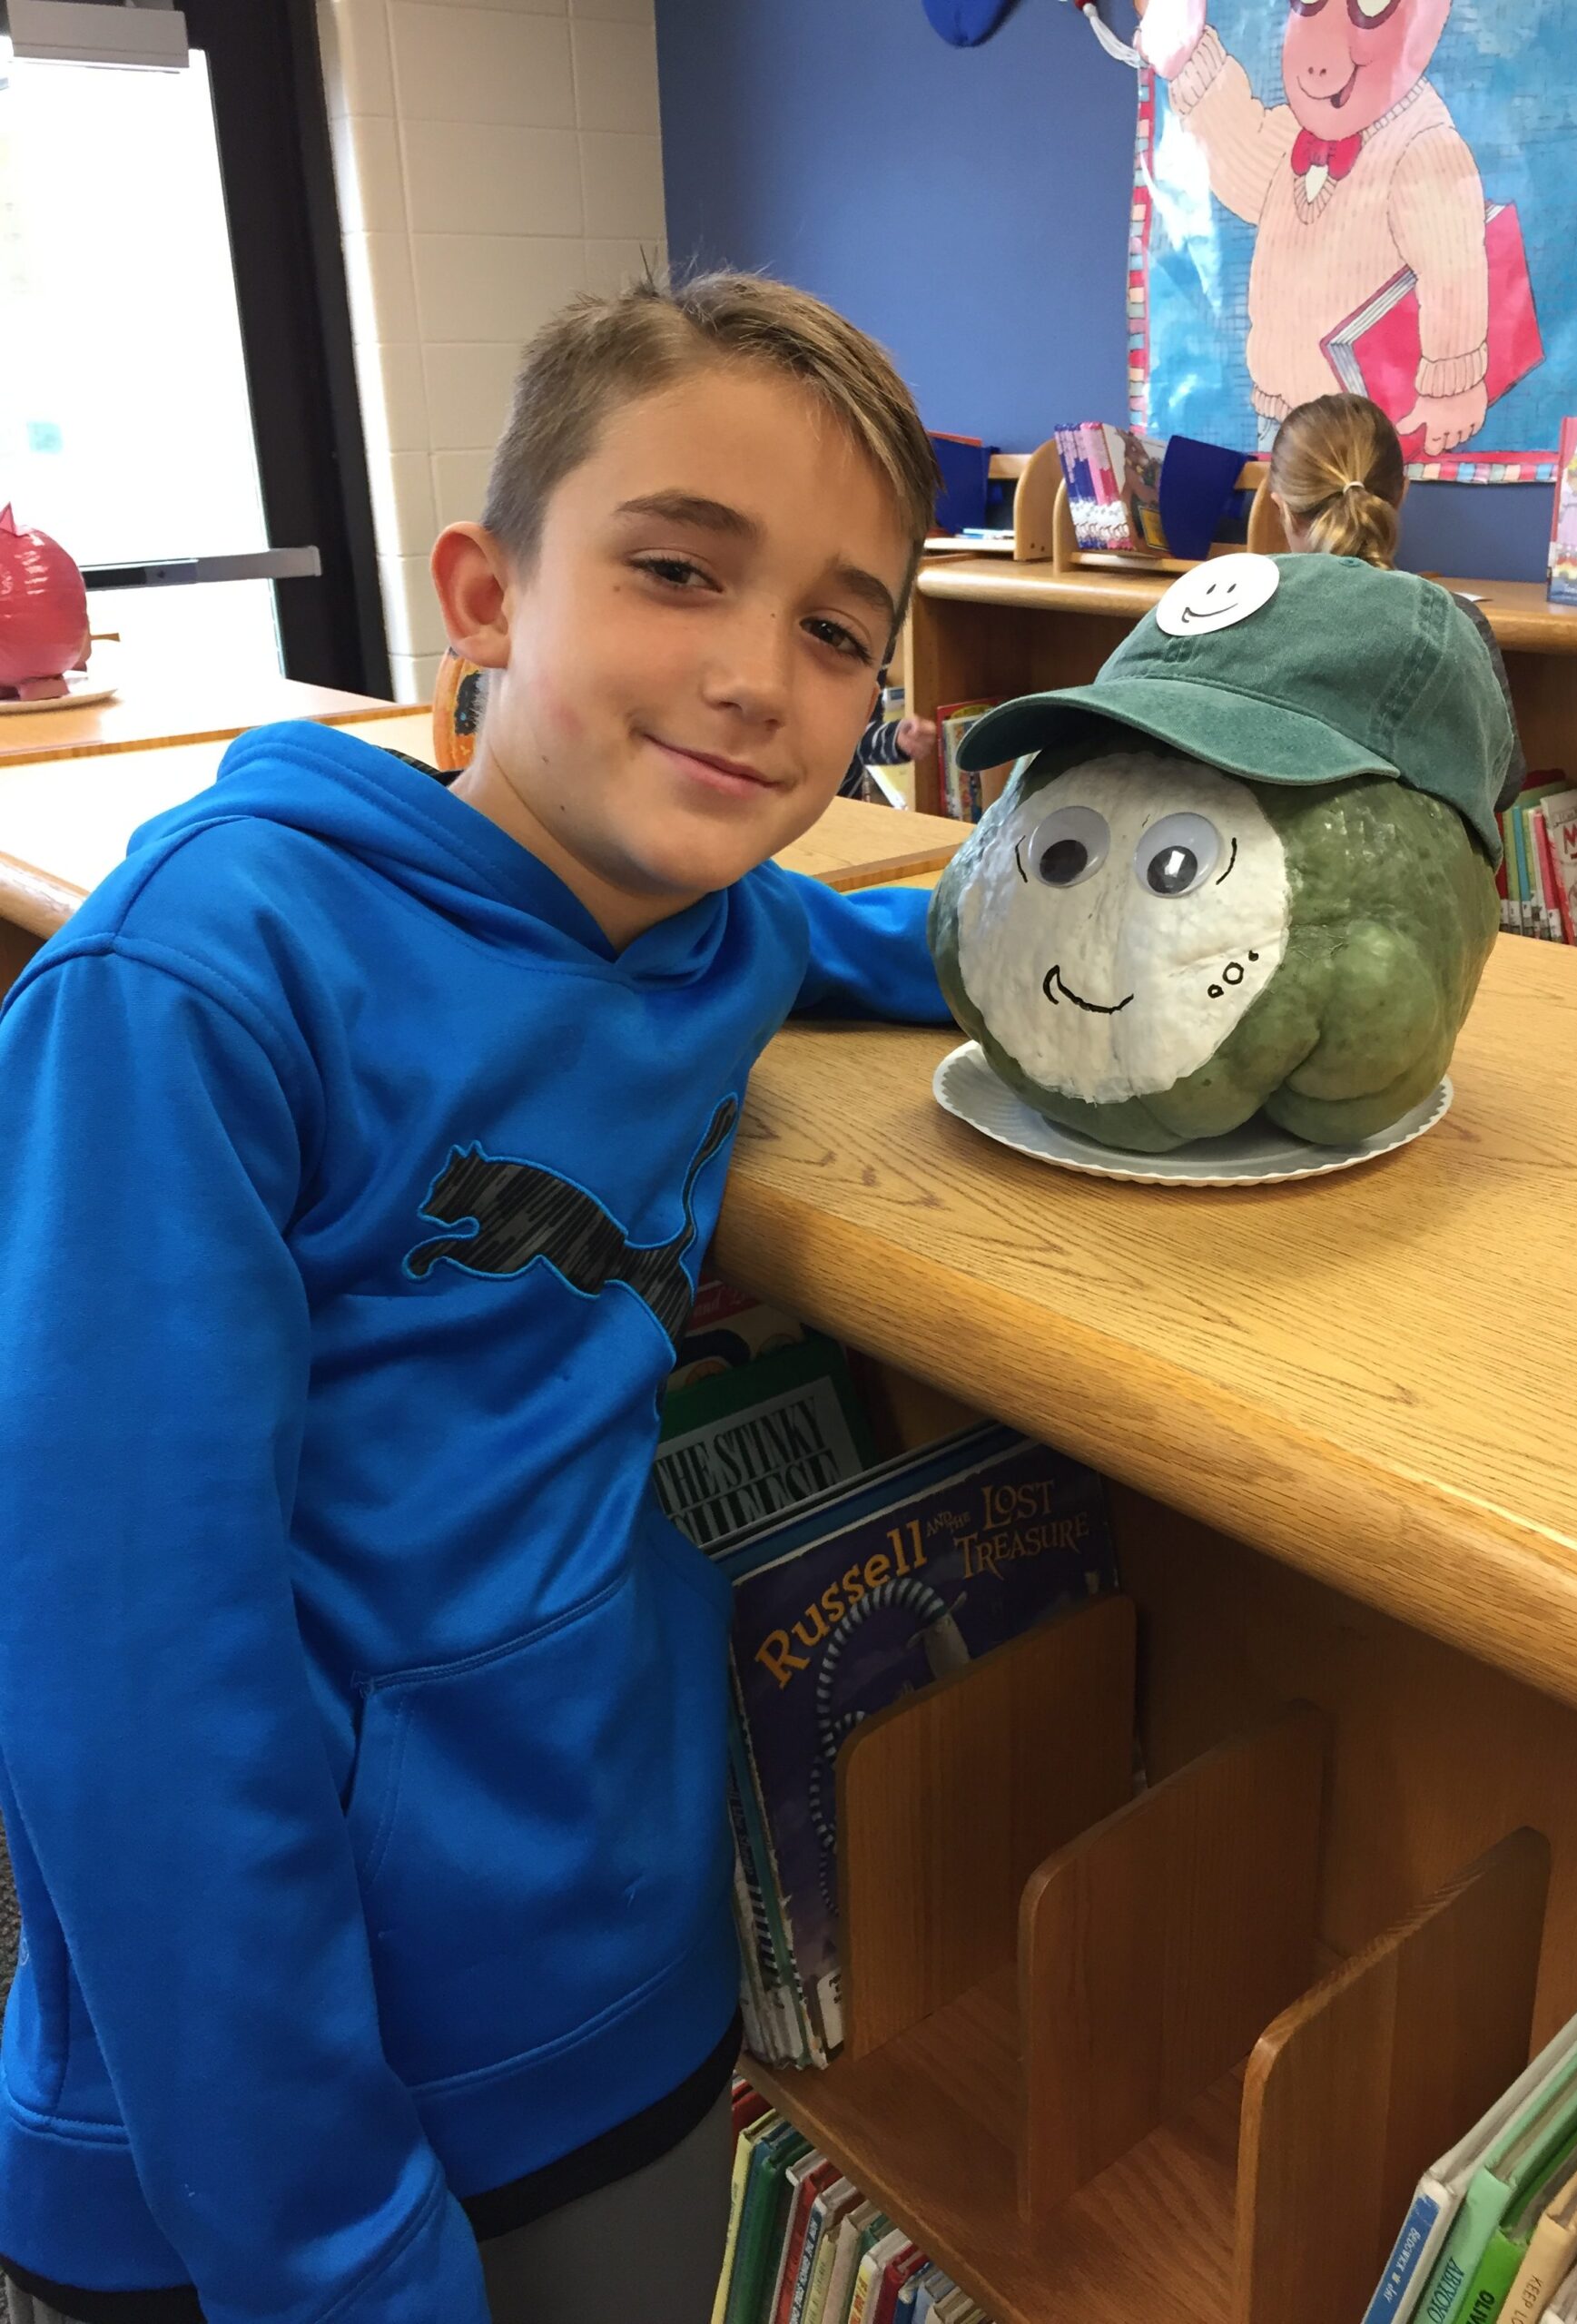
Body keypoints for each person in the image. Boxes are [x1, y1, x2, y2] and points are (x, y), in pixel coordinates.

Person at [0, 274, 953, 2324]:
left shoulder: (719, 932)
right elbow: (135, 1700)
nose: (752, 679)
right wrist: (336, 2253)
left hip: (615, 2012)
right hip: (241, 2156)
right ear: (486, 591)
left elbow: (878, 933)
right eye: (678, 568)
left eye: (831, 626)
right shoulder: (201, 984)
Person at [1268, 390, 1527, 810]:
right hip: (1417, 869)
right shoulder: (1455, 622)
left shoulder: (1235, 615)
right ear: (1401, 494)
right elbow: (1504, 783)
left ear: (1281, 508)